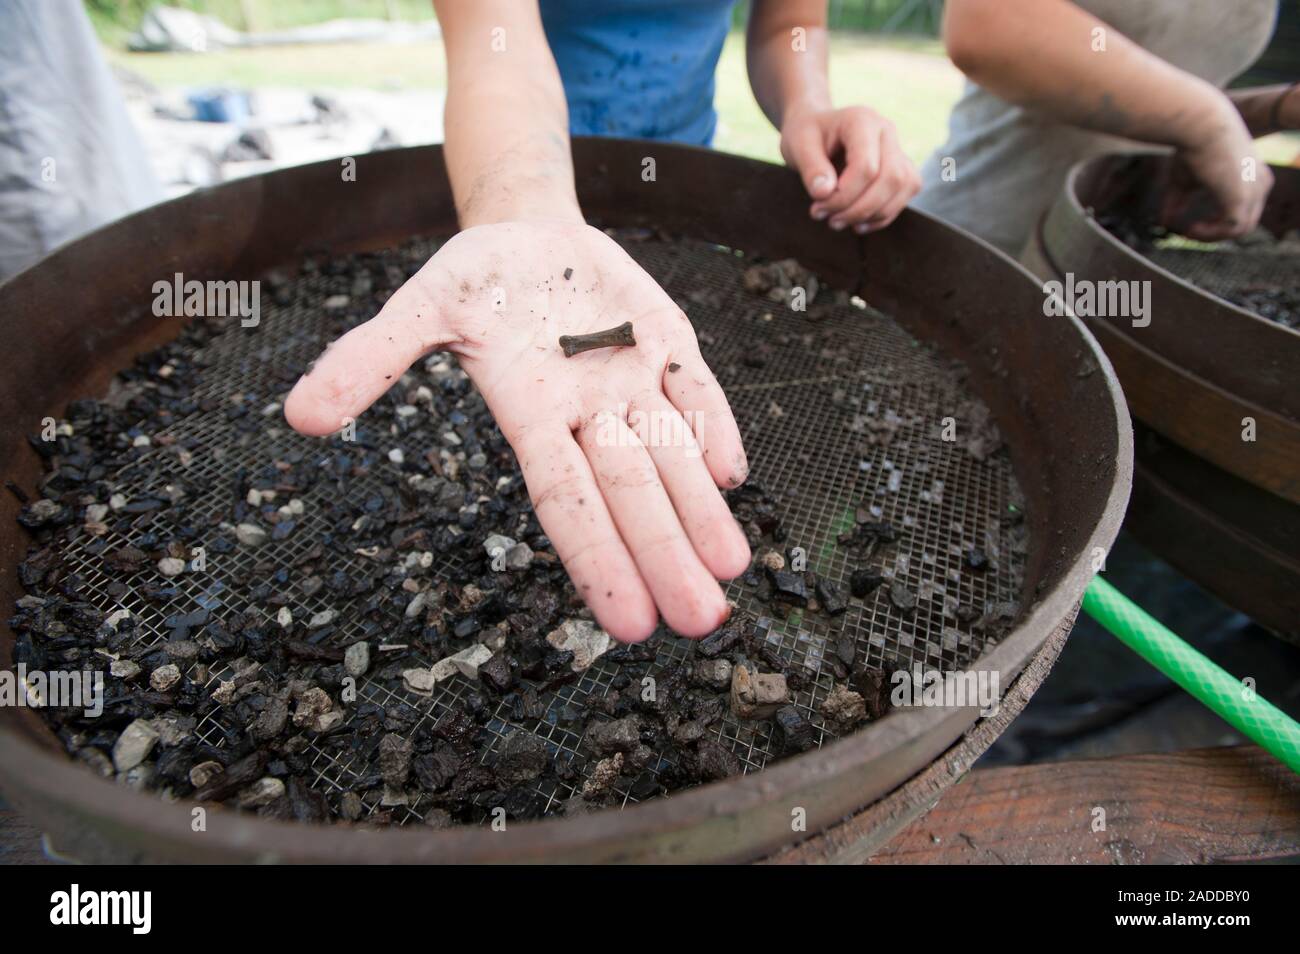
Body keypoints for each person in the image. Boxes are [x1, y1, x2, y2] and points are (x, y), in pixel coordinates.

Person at [284, 1, 922, 643]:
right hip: (519, 162)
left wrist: (807, 105)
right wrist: (525, 212)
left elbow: (791, 23)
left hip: (677, 186)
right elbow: (494, 44)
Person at [913, 0, 1296, 257]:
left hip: (1118, 261)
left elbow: (1167, 91)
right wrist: (1210, 124)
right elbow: (991, 25)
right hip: (989, 246)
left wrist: (1276, 109)